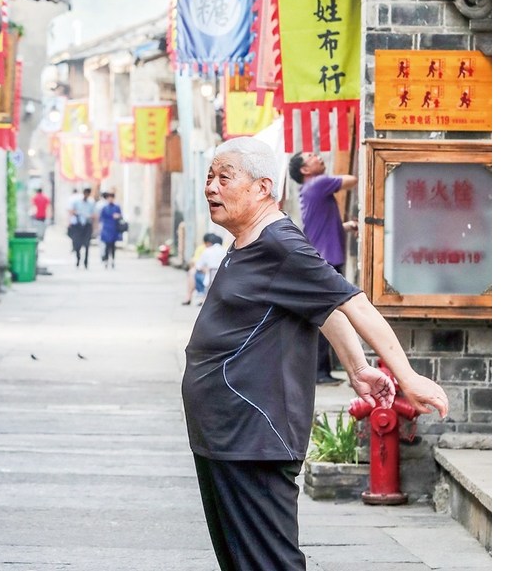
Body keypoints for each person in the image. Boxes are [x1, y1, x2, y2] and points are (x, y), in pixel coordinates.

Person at [182, 137, 449, 571]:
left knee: (270, 562)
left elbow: (353, 303)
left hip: (253, 437)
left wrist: (407, 376)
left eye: (223, 177)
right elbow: (323, 309)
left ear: (262, 187)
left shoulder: (280, 243)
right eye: (209, 177)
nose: (211, 187)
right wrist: (358, 367)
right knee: (239, 561)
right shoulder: (249, 242)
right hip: (223, 433)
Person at [288, 151, 359, 385]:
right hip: (327, 260)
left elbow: (325, 224)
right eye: (311, 156)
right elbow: (352, 180)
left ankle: (321, 371)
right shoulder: (318, 183)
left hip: (323, 259)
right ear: (305, 170)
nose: (318, 156)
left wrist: (346, 226)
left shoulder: (310, 190)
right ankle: (319, 372)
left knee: (329, 315)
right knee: (328, 317)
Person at [182, 233, 225, 305]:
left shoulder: (207, 251)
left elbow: (198, 266)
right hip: (225, 278)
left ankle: (193, 297)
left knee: (192, 272)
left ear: (208, 243)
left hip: (210, 277)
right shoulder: (226, 251)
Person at [66, 186, 97, 269]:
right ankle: (78, 259)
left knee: (87, 244)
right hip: (78, 225)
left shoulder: (91, 203)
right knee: (77, 243)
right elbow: (70, 211)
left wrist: (94, 227)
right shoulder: (76, 201)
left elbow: (94, 215)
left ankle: (86, 262)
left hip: (87, 225)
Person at [97, 191, 124, 269]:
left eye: (112, 198)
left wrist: (118, 216)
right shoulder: (104, 208)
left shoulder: (117, 207)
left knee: (112, 246)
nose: (110, 199)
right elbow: (101, 218)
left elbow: (121, 216)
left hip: (114, 229)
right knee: (106, 245)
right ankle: (106, 260)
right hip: (106, 229)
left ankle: (112, 260)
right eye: (109, 198)